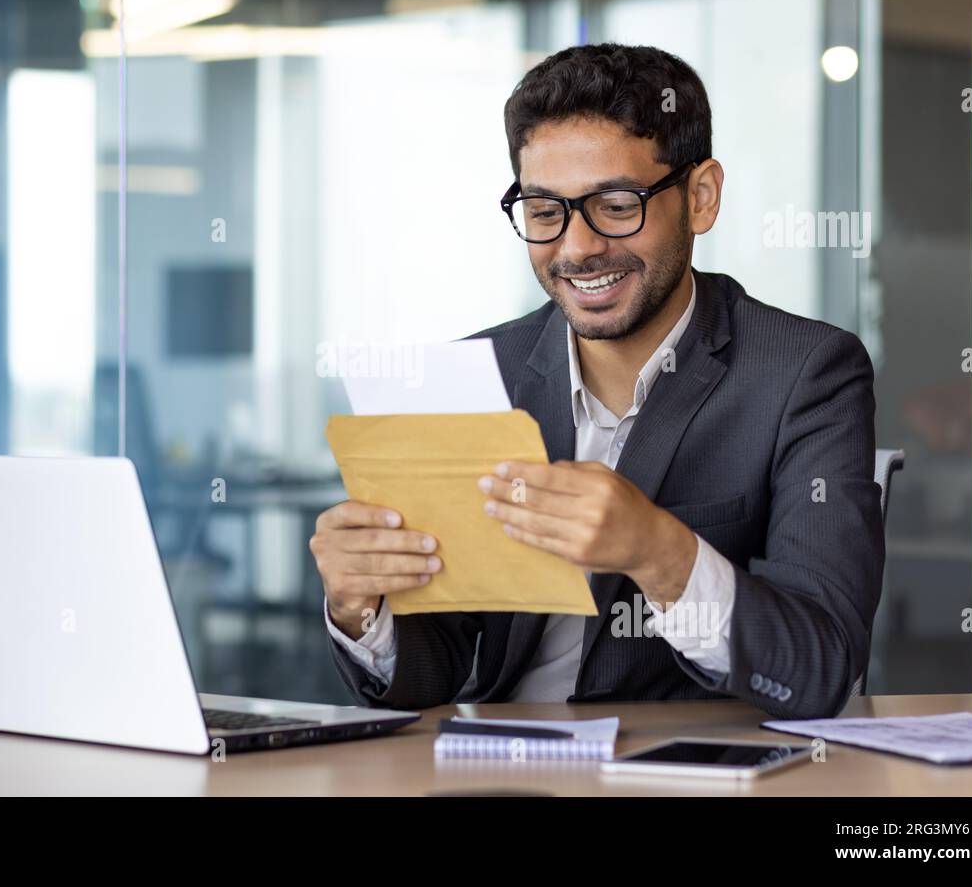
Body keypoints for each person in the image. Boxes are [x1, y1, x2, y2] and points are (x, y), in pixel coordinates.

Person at [309, 43, 884, 719]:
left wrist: (658, 550)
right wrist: (362, 608)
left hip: (680, 772)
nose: (577, 249)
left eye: (615, 204)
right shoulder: (479, 373)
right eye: (545, 212)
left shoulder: (804, 373)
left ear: (700, 197)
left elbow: (821, 667)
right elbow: (435, 669)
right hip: (491, 772)